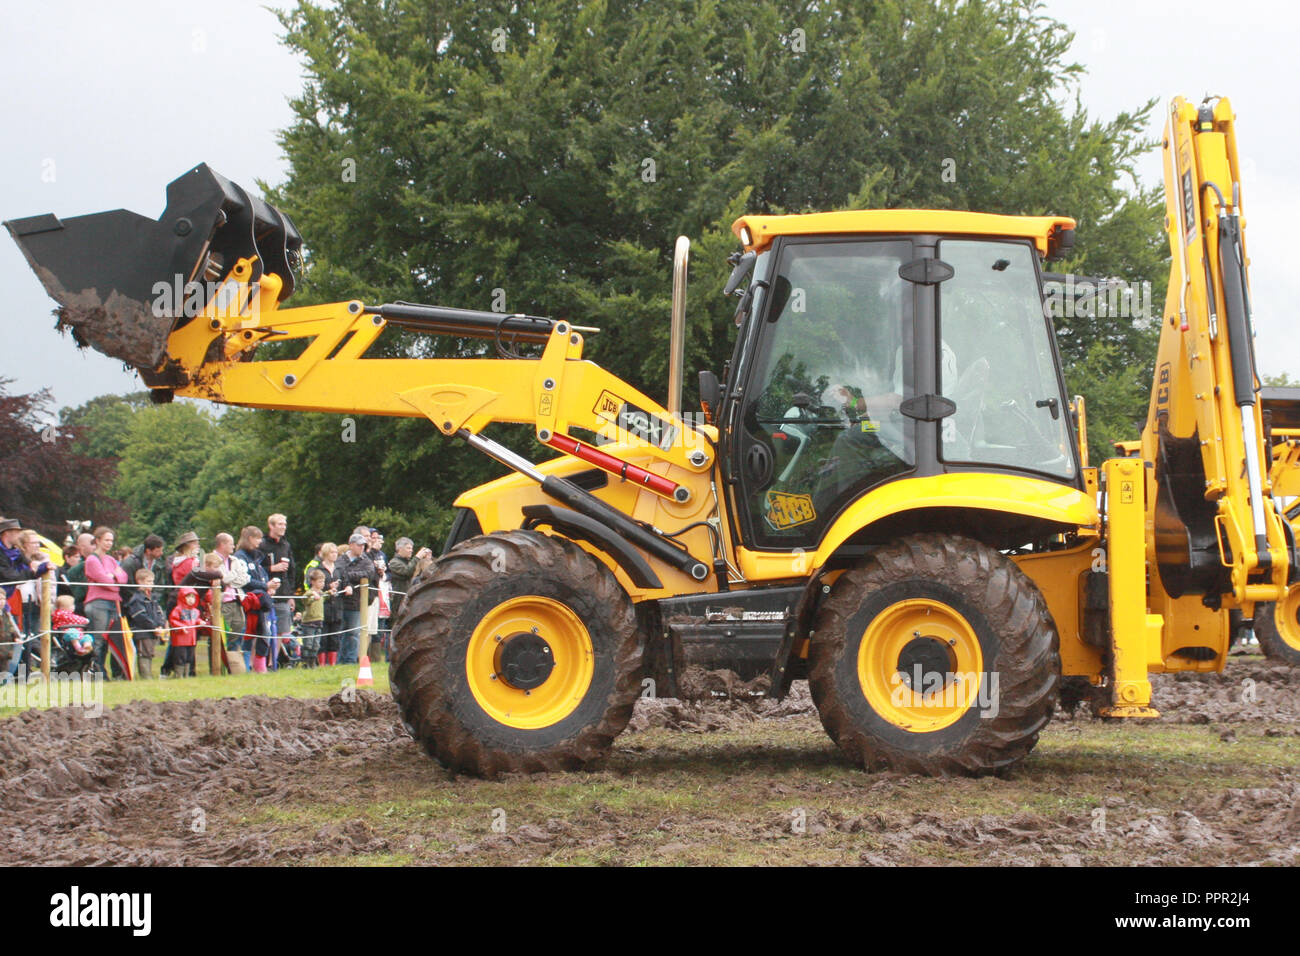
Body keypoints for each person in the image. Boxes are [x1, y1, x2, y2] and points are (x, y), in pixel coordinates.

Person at [0, 518, 51, 677]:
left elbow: (28, 568)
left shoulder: (15, 552)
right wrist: (32, 571)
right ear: (7, 534)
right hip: (3, 598)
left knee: (13, 637)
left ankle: (11, 674)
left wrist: (43, 567)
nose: (19, 535)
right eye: (16, 532)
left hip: (5, 601)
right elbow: (10, 576)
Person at [83, 526, 128, 679]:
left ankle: (108, 672)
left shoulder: (111, 560)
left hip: (113, 602)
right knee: (98, 640)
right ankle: (95, 671)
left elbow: (124, 578)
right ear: (98, 541)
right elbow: (105, 581)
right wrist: (114, 577)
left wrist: (113, 576)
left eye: (111, 540)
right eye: (106, 540)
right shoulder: (91, 559)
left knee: (111, 640)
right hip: (98, 603)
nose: (109, 543)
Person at [236, 526, 279, 672]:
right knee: (248, 634)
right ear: (249, 538)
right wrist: (264, 585)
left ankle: (260, 667)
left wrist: (269, 586)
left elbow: (262, 575)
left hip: (261, 602)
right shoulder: (240, 557)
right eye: (257, 538)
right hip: (247, 602)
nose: (260, 541)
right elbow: (245, 580)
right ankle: (245, 666)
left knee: (264, 633)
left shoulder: (257, 557)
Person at [334, 533, 375, 665]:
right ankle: (340, 660)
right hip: (341, 601)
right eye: (359, 545)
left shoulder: (366, 560)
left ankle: (350, 660)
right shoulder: (341, 560)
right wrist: (349, 579)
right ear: (351, 545)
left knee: (353, 633)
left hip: (357, 602)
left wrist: (351, 576)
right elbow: (339, 574)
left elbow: (369, 574)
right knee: (341, 633)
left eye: (363, 545)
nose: (362, 548)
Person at [212, 532, 250, 668]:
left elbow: (245, 579)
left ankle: (233, 664)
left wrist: (230, 578)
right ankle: (218, 665)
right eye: (231, 543)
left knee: (238, 630)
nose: (234, 546)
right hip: (222, 603)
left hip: (237, 600)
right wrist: (233, 576)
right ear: (222, 544)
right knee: (221, 636)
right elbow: (222, 579)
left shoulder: (234, 560)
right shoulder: (212, 559)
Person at [259, 513, 296, 652]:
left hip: (283, 593)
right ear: (271, 526)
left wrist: (291, 594)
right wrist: (271, 568)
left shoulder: (286, 545)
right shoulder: (262, 544)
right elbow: (254, 568)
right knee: (265, 629)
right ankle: (261, 659)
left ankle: (272, 661)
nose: (283, 527)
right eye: (280, 524)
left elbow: (292, 570)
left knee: (281, 630)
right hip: (265, 592)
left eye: (285, 524)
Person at [123, 569, 168, 679]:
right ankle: (146, 676)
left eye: (152, 581)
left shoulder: (152, 598)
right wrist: (153, 627)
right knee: (144, 653)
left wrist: (160, 625)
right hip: (142, 632)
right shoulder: (137, 599)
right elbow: (140, 616)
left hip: (153, 631)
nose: (151, 584)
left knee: (150, 652)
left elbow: (158, 612)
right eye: (148, 581)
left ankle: (148, 675)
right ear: (140, 581)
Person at [167, 587, 202, 678]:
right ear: (182, 597)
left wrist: (200, 622)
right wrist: (181, 627)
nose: (191, 600)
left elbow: (196, 620)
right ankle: (179, 674)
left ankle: (186, 674)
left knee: (189, 657)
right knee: (180, 656)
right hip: (180, 639)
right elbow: (173, 620)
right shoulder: (178, 609)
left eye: (193, 597)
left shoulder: (196, 611)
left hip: (191, 639)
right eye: (188, 597)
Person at [317, 543, 341, 665]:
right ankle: (321, 663)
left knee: (334, 638)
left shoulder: (339, 569)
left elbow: (346, 581)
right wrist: (328, 588)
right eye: (332, 552)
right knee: (323, 637)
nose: (335, 555)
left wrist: (348, 587)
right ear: (326, 553)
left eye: (336, 552)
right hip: (323, 608)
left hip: (336, 608)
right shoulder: (318, 569)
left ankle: (332, 664)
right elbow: (314, 586)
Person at [62, 532, 96, 616]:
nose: (95, 546)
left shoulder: (97, 562)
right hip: (77, 607)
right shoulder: (73, 569)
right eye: (92, 543)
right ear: (82, 546)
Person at [297, 568, 326, 668]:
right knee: (308, 643)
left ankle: (313, 661)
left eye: (323, 581)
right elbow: (305, 600)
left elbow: (326, 596)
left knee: (316, 644)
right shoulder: (309, 593)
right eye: (320, 581)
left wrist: (331, 591)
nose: (322, 583)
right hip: (309, 622)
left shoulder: (321, 593)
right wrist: (313, 595)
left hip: (319, 621)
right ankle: (305, 662)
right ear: (313, 582)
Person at [52, 595, 94, 660]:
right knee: (73, 632)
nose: (74, 606)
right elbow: (74, 619)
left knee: (87, 637)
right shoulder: (61, 614)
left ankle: (86, 647)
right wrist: (85, 620)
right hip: (66, 636)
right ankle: (78, 649)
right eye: (72, 605)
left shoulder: (69, 614)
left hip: (79, 637)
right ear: (64, 607)